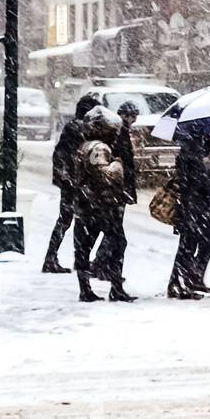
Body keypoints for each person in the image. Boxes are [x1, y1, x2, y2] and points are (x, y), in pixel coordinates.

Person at [72, 106, 135, 303]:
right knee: (118, 242)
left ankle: (85, 289)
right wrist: (117, 165)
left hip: (85, 205)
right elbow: (104, 175)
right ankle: (115, 287)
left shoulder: (85, 145)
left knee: (83, 247)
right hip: (101, 206)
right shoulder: (100, 148)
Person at [168, 129, 210, 299]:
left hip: (197, 206)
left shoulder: (197, 150)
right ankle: (178, 284)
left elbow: (207, 178)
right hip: (193, 207)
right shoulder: (192, 152)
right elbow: (203, 181)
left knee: (201, 242)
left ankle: (191, 278)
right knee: (191, 244)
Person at [42, 92, 100, 274]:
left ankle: (53, 258)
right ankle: (62, 259)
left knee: (67, 220)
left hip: (71, 181)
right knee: (73, 221)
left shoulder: (74, 128)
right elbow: (73, 155)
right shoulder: (78, 129)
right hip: (73, 182)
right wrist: (69, 178)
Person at [92, 100, 139, 283]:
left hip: (118, 190)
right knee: (115, 234)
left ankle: (101, 265)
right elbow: (120, 162)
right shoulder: (118, 134)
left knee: (112, 232)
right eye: (129, 115)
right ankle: (106, 269)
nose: (132, 119)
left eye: (134, 115)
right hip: (115, 190)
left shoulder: (122, 133)